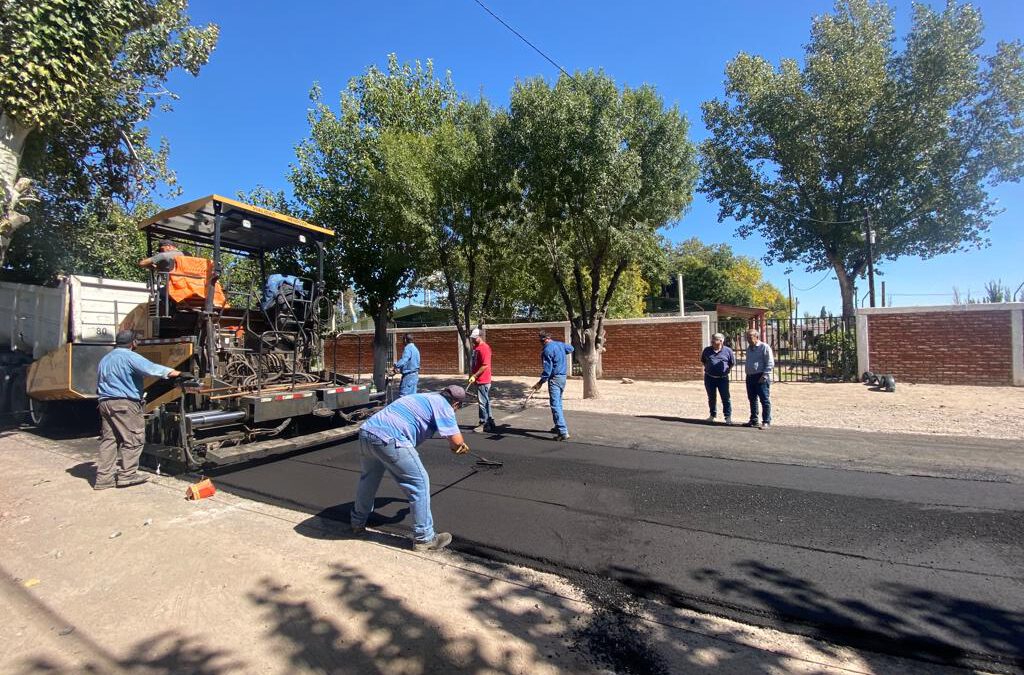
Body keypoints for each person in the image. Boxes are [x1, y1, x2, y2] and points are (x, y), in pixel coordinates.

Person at [350, 385, 470, 551]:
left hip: (367, 433)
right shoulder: (445, 407)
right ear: (456, 404)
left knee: (369, 479)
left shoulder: (425, 397)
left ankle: (357, 523)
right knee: (419, 483)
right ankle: (425, 538)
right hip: (390, 438)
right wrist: (459, 447)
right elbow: (456, 441)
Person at [94, 330, 186, 490]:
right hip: (124, 403)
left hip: (105, 403)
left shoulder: (105, 359)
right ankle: (127, 475)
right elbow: (150, 368)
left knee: (109, 440)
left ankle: (103, 479)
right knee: (134, 438)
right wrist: (176, 372)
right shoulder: (129, 356)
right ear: (133, 343)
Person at [530, 331, 574, 441]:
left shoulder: (546, 350)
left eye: (540, 341)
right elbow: (571, 349)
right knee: (558, 402)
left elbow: (547, 371)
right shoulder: (560, 345)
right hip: (563, 378)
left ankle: (563, 432)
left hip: (554, 379)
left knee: (555, 405)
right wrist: (560, 354)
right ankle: (557, 425)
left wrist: (540, 383)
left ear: (543, 340)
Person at [701, 332, 736, 425]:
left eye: (715, 340)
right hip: (709, 378)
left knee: (726, 398)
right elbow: (703, 361)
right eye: (712, 340)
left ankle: (728, 417)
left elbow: (732, 363)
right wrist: (709, 368)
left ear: (721, 341)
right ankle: (712, 415)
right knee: (711, 397)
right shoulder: (707, 350)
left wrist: (726, 370)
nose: (712, 342)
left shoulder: (728, 351)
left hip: (723, 379)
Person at [743, 328, 774, 430]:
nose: (747, 339)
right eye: (747, 337)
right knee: (752, 399)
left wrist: (764, 375)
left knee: (764, 400)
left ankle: (766, 421)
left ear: (756, 337)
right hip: (750, 377)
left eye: (749, 337)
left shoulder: (764, 347)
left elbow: (770, 363)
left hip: (760, 376)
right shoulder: (749, 349)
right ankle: (754, 420)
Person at [467, 328, 496, 433]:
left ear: (479, 337)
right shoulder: (476, 347)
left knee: (482, 402)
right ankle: (490, 421)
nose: (473, 340)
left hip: (483, 380)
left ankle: (484, 423)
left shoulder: (484, 348)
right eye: (472, 338)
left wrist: (475, 375)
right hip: (478, 379)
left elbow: (485, 365)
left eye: (474, 338)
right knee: (485, 401)